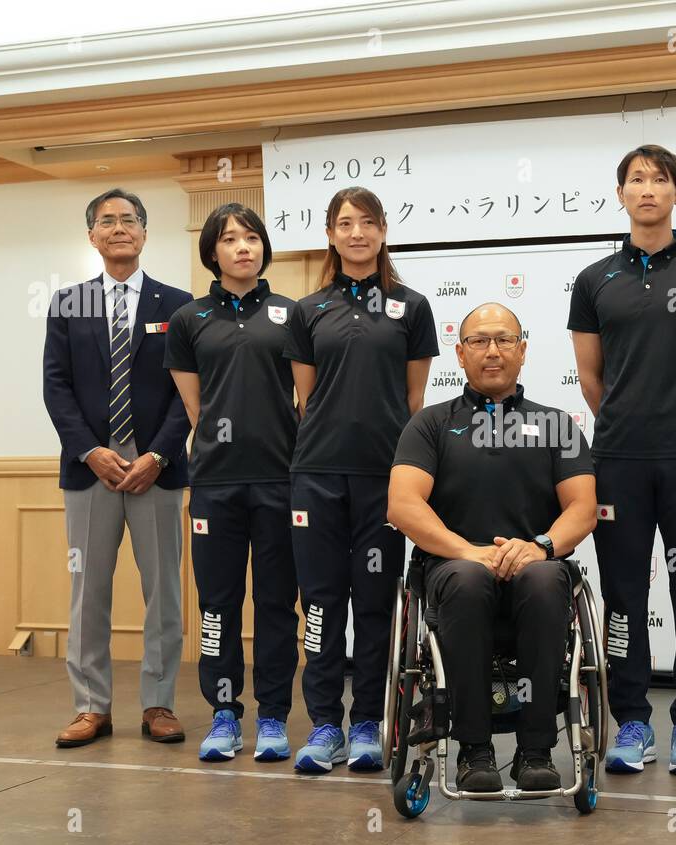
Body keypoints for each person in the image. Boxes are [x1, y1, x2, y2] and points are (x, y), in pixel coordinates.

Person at [568, 144, 676, 775]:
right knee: (622, 597)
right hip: (618, 460)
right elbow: (592, 379)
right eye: (636, 179)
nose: (648, 189)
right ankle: (633, 723)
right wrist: (626, 425)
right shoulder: (595, 281)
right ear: (621, 194)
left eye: (660, 179)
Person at [388, 303, 597, 792]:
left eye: (504, 339)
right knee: (468, 578)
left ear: (523, 351)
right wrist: (468, 550)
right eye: (479, 341)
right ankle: (474, 751)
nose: (493, 351)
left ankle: (536, 751)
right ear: (459, 354)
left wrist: (541, 546)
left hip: (536, 566)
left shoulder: (557, 426)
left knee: (546, 579)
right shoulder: (431, 425)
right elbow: (402, 504)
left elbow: (583, 509)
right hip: (454, 571)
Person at [284, 187, 438, 773]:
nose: (356, 233)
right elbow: (307, 398)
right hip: (317, 474)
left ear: (381, 232)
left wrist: (401, 468)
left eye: (367, 223)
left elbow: (413, 398)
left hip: (385, 477)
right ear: (329, 234)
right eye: (344, 223)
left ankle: (369, 723)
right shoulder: (308, 310)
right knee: (321, 603)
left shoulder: (412, 306)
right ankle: (325, 726)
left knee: (375, 603)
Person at [43, 188, 192, 749]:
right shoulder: (67, 303)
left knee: (164, 593)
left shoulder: (178, 305)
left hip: (156, 469)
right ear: (92, 236)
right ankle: (90, 707)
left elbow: (189, 393)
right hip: (90, 472)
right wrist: (91, 450)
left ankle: (158, 703)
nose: (118, 228)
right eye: (106, 221)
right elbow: (55, 387)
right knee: (88, 593)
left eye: (128, 220)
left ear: (145, 233)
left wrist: (158, 454)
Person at [164, 203, 300, 762]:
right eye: (230, 239)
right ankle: (223, 712)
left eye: (252, 237)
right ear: (212, 252)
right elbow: (196, 409)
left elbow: (304, 399)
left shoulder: (295, 316)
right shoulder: (188, 320)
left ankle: (272, 716)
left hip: (282, 481)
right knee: (217, 606)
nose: (243, 247)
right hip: (216, 484)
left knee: (275, 605)